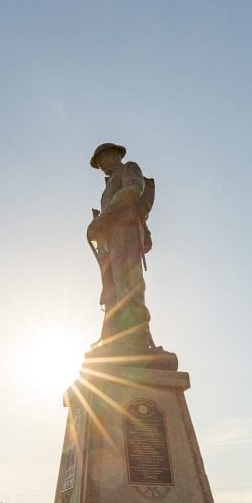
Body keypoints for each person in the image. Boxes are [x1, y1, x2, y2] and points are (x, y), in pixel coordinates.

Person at [87, 142, 156, 356]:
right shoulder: (107, 186)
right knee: (113, 287)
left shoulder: (129, 168)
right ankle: (116, 335)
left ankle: (136, 336)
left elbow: (134, 189)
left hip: (126, 232)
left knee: (128, 283)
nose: (101, 166)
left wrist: (105, 216)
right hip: (110, 239)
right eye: (98, 164)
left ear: (115, 154)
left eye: (103, 160)